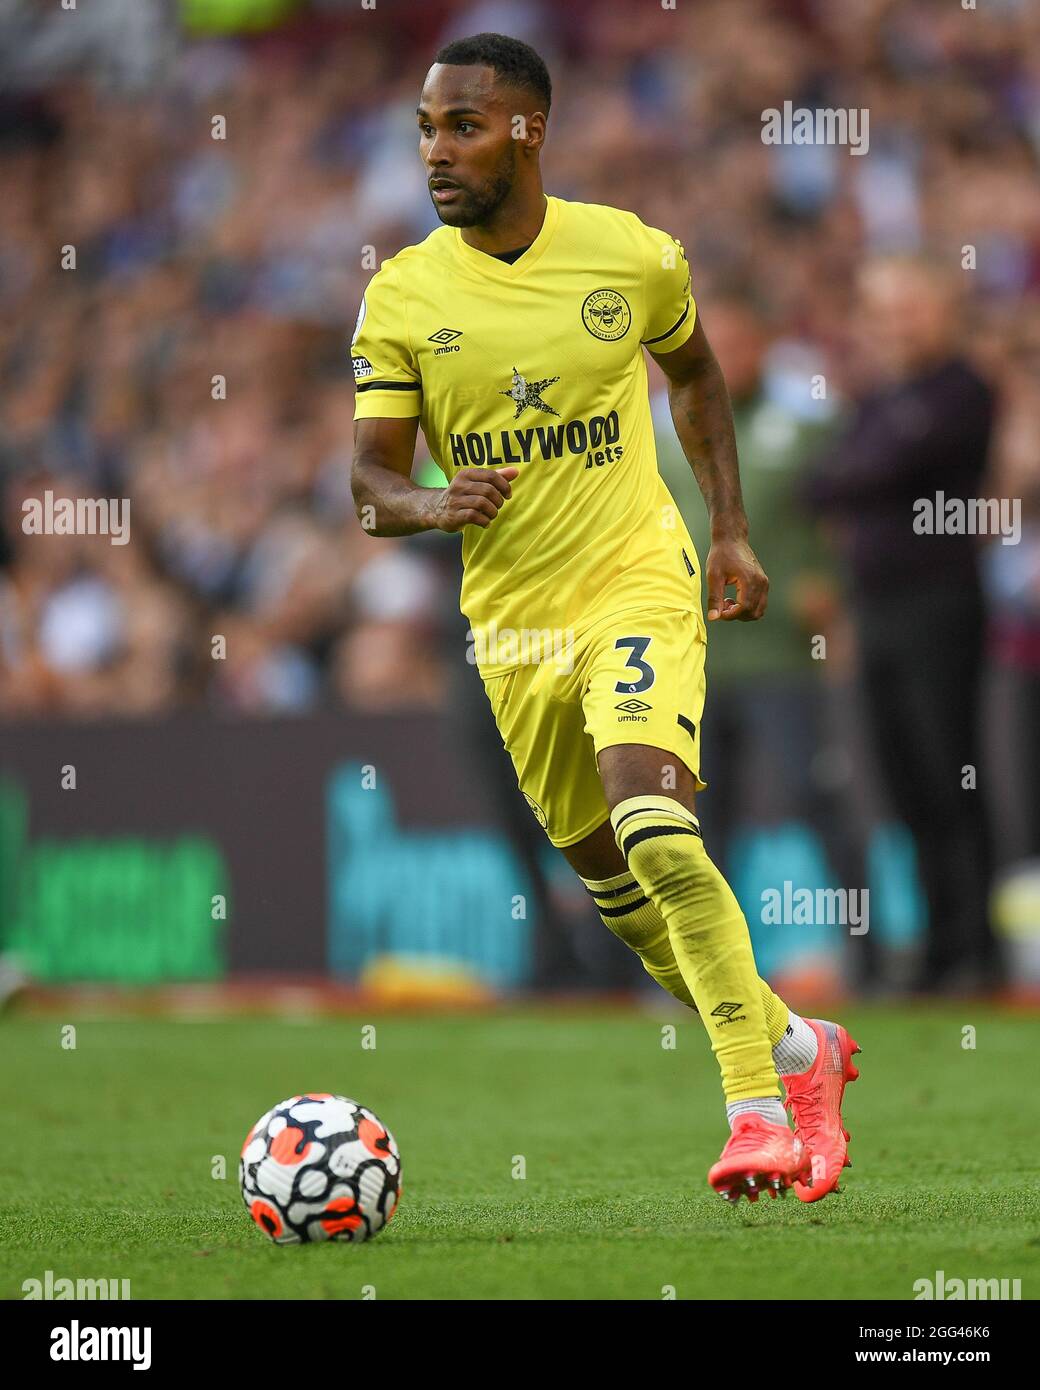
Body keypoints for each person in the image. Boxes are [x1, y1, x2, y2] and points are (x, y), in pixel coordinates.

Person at [350, 32, 860, 1204]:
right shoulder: (403, 294)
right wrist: (428, 503)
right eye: (426, 127)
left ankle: (753, 1114)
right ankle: (800, 1048)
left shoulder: (629, 257)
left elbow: (694, 377)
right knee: (627, 906)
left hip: (634, 579)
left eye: (462, 126)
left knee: (657, 830)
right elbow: (368, 485)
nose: (436, 150)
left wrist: (727, 527)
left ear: (526, 130)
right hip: (512, 629)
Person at [807, 258, 1000, 993]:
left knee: (950, 771)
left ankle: (972, 946)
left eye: (908, 310)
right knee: (904, 778)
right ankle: (936, 945)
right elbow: (828, 478)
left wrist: (852, 474)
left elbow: (859, 476)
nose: (895, 327)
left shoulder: (962, 389)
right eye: (883, 313)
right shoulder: (883, 397)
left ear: (943, 311)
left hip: (939, 607)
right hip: (878, 610)